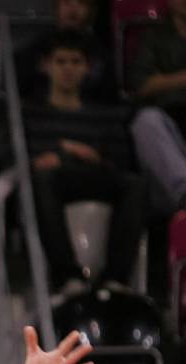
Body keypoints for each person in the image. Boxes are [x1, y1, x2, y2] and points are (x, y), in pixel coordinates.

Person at [23, 30, 145, 297]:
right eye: (61, 61)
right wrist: (63, 152)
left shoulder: (104, 116)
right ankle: (66, 276)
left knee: (134, 185)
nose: (68, 68)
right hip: (54, 182)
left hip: (93, 177)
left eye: (76, 62)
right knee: (43, 181)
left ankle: (117, 280)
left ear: (87, 68)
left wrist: (89, 155)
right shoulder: (29, 114)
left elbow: (119, 163)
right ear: (47, 66)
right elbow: (27, 161)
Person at [129, 0, 186, 214]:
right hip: (169, 132)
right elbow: (141, 85)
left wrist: (164, 79)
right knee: (146, 121)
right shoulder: (155, 36)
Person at [14, 0, 118, 104]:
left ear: (91, 10)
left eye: (81, 3)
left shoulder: (102, 56)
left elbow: (110, 100)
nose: (73, 8)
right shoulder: (32, 51)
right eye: (67, 2)